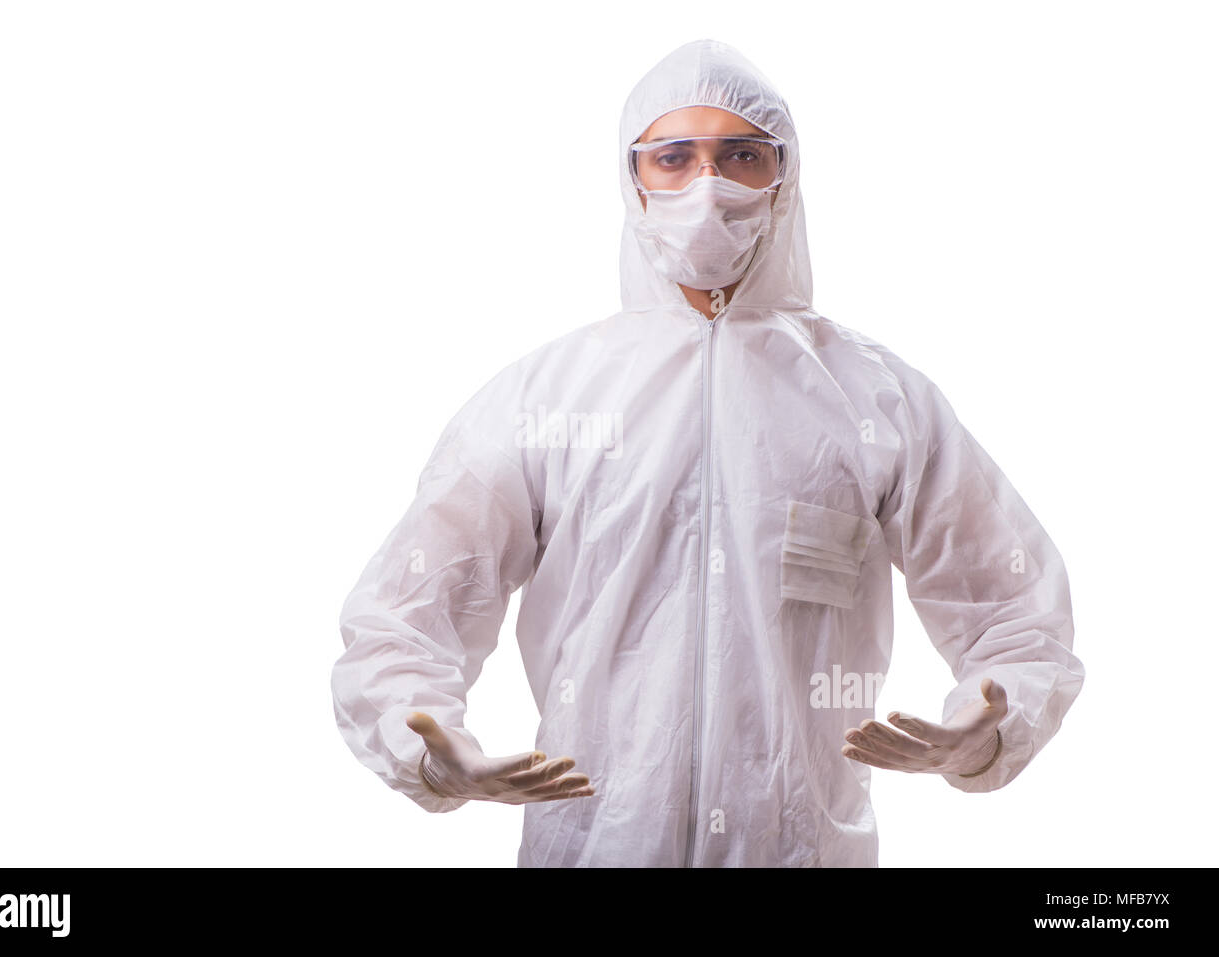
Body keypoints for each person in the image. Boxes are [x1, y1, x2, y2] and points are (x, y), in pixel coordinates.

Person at [330, 38, 1085, 867]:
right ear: (634, 180)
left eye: (741, 156)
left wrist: (993, 718)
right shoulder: (545, 399)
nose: (707, 186)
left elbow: (1016, 609)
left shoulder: (877, 399)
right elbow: (403, 615)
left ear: (784, 177)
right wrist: (421, 738)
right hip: (594, 848)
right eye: (674, 157)